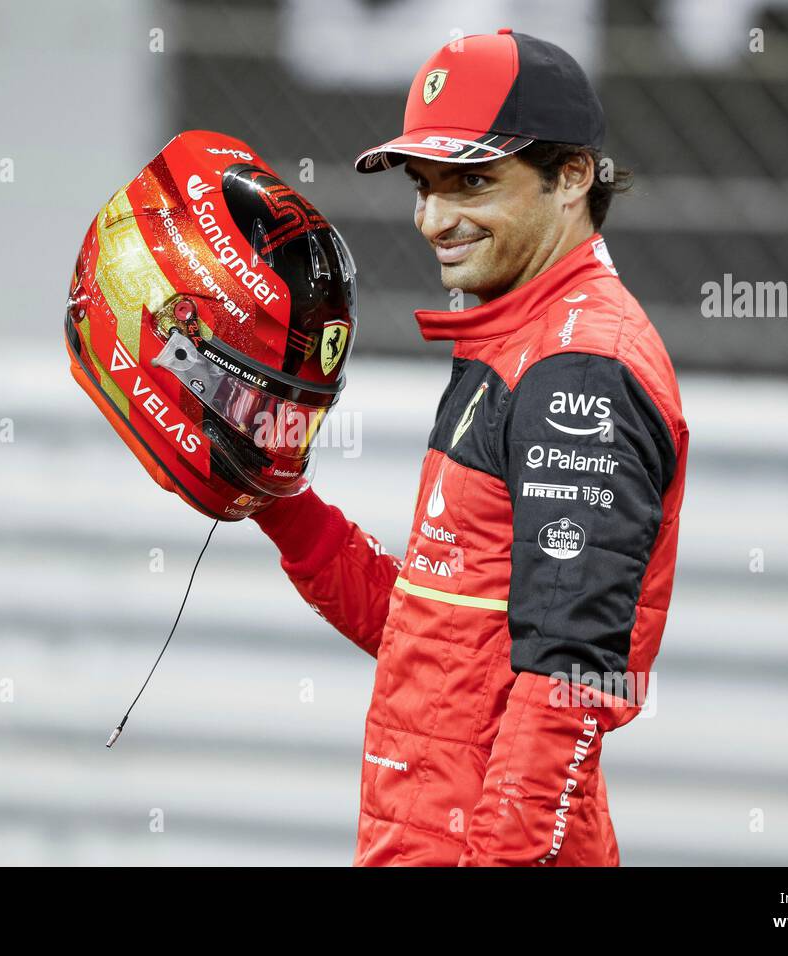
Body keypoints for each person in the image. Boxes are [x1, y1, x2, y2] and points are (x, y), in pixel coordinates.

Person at [252, 29, 690, 866]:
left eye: (474, 182)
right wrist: (280, 500)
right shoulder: (512, 342)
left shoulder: (580, 371)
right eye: (425, 186)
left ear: (571, 178)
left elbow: (570, 684)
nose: (434, 219)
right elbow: (432, 637)